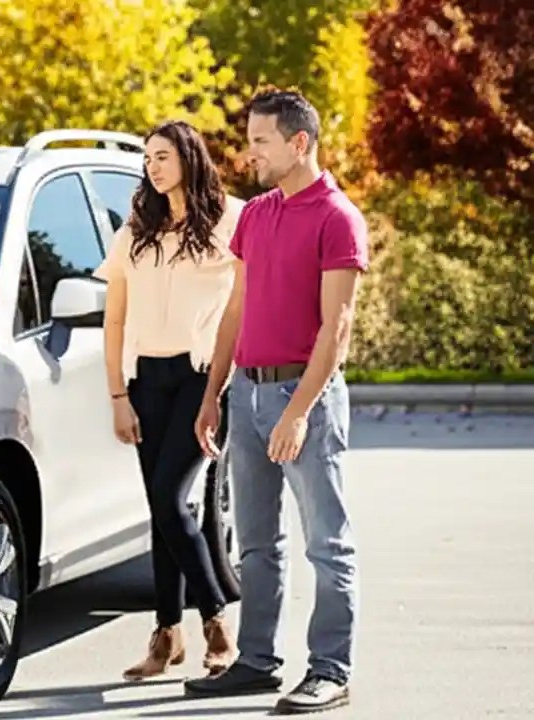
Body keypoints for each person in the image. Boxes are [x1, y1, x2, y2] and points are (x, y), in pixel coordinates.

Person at [184, 89, 367, 715]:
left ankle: (330, 671)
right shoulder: (256, 215)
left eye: (260, 141)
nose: (248, 152)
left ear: (299, 143)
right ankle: (257, 661)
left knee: (327, 543)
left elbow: (335, 328)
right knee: (256, 544)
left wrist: (297, 412)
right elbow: (236, 307)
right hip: (248, 393)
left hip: (302, 397)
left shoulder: (338, 218)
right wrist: (213, 393)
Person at [96, 119, 242, 681]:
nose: (153, 166)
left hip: (198, 378)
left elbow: (243, 303)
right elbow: (113, 318)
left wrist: (219, 387)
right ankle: (166, 636)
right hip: (144, 383)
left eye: (162, 156)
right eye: (147, 158)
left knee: (168, 496)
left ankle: (215, 621)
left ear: (189, 157)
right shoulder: (135, 230)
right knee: (163, 510)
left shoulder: (232, 220)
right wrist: (116, 395)